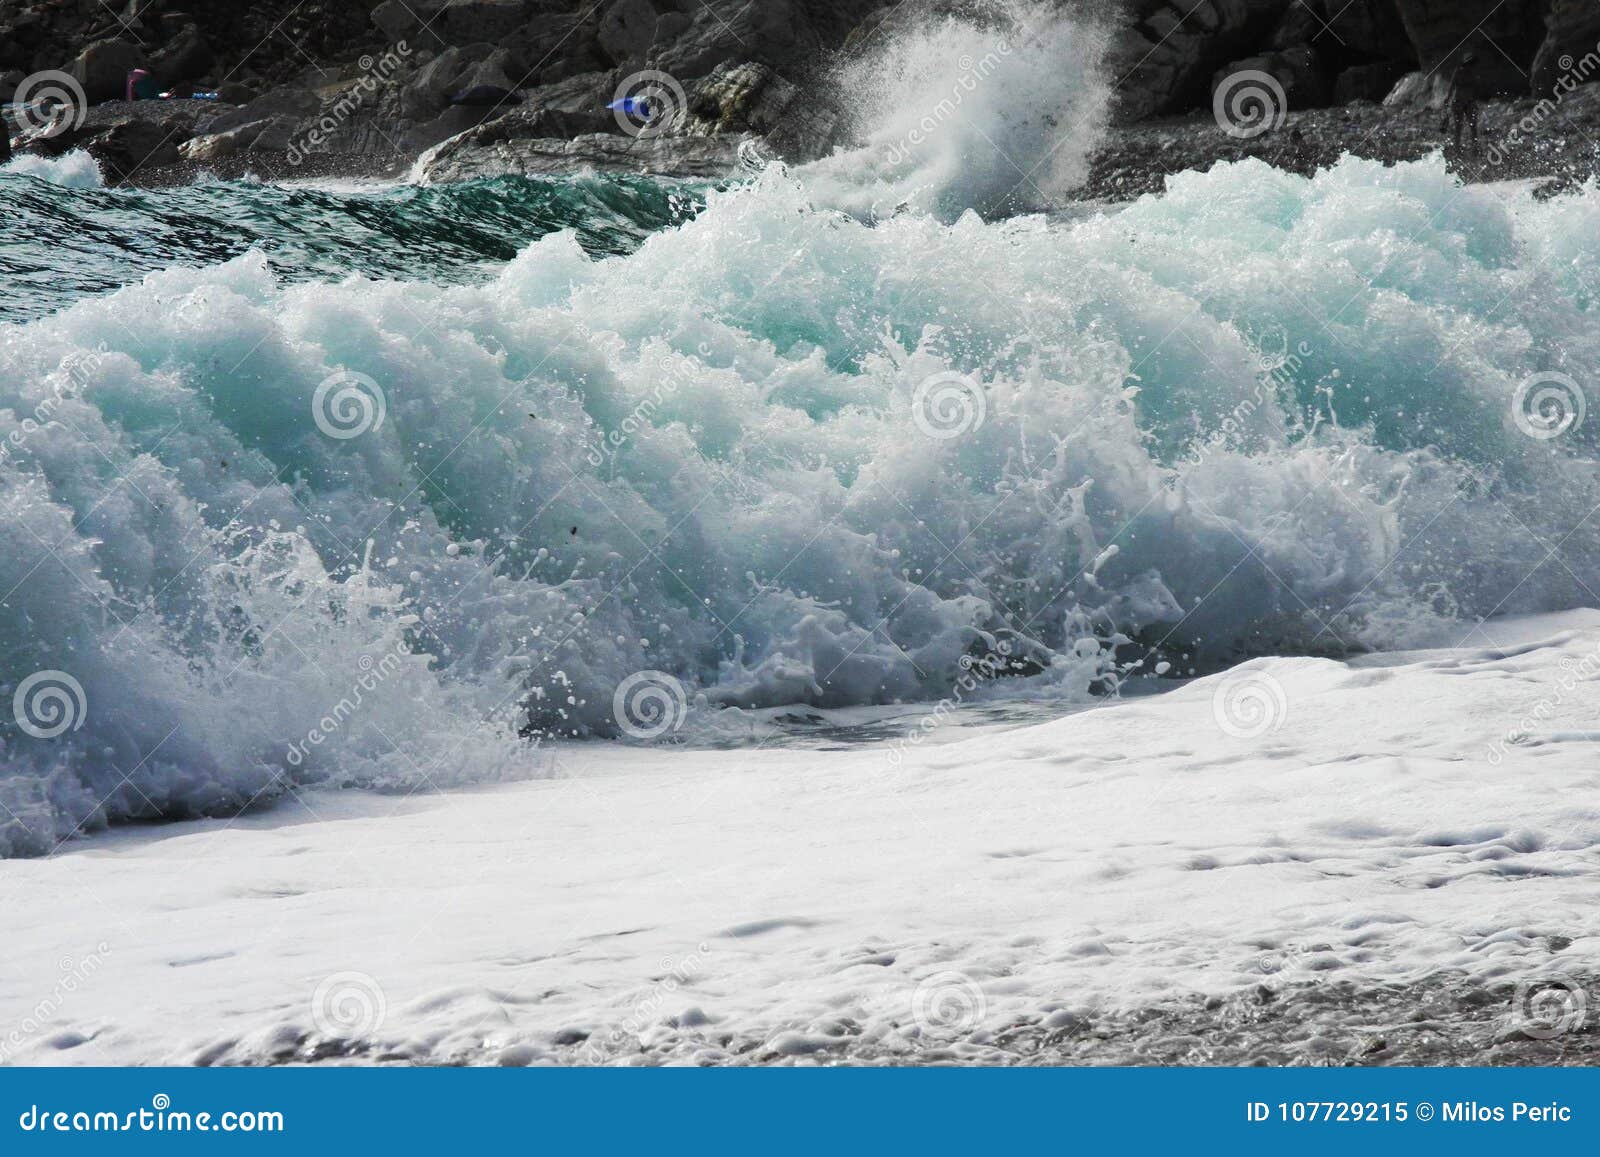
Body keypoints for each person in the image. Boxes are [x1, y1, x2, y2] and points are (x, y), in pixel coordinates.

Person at [1445, 51, 1483, 152]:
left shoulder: (1472, 72)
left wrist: (1448, 99)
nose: (1471, 66)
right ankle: (1457, 147)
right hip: (1459, 102)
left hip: (1468, 101)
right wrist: (1447, 99)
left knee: (1472, 125)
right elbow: (1452, 86)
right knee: (1460, 126)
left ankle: (1474, 147)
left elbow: (1476, 88)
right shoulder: (1459, 72)